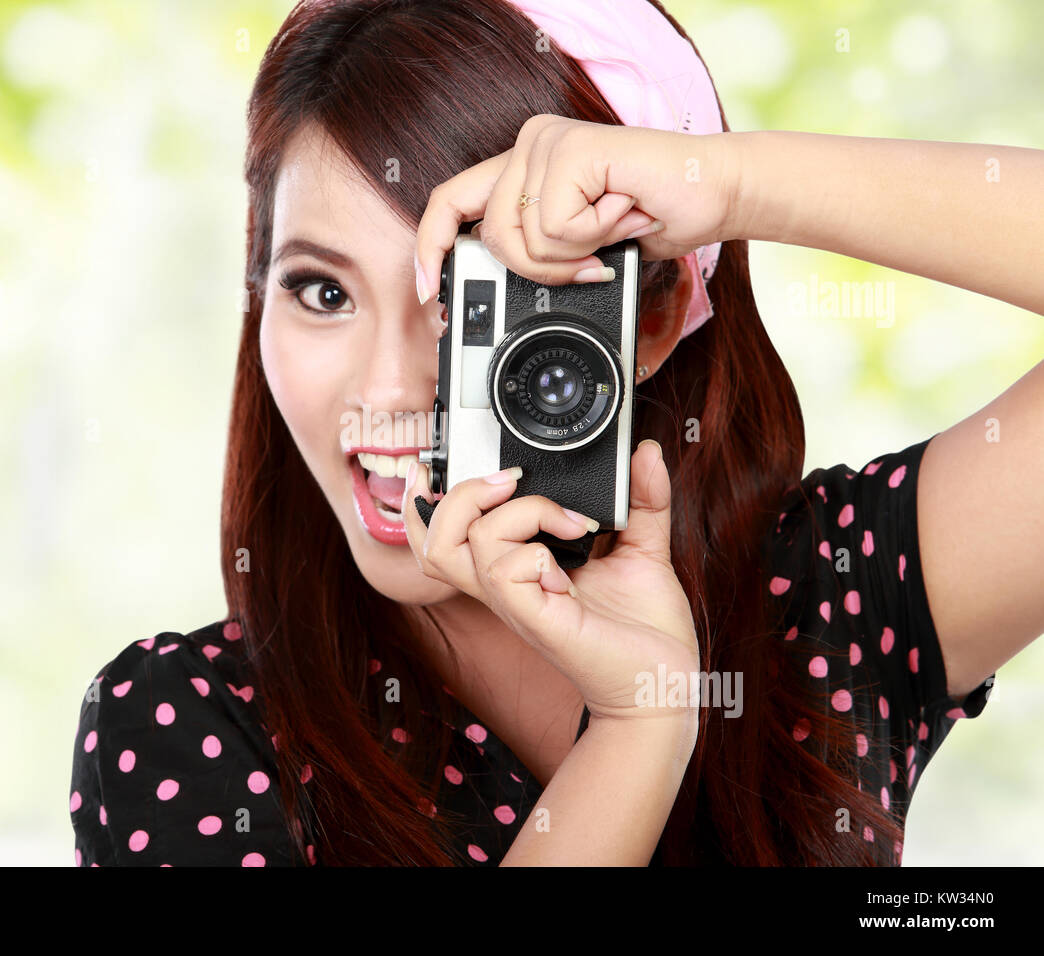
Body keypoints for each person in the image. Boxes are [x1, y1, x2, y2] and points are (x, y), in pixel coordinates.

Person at [69, 0, 1041, 866]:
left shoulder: (820, 597)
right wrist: (636, 729)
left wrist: (733, 183)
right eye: (321, 291)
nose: (388, 386)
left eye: (474, 297)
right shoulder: (181, 724)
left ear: (648, 323)